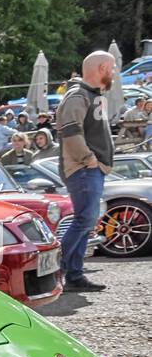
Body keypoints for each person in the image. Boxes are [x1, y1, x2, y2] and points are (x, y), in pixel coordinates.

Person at [55, 50, 117, 292]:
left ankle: (74, 275)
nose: (114, 73)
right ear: (101, 68)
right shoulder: (77, 96)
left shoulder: (91, 96)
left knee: (86, 220)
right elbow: (71, 132)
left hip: (90, 169)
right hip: (82, 169)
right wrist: (89, 159)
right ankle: (54, 266)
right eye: (112, 68)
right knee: (85, 219)